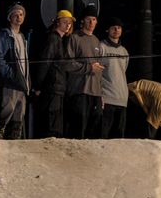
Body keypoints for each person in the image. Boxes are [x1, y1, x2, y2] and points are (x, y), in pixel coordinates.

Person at [65, 7, 105, 139]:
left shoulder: (97, 41)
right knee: (78, 131)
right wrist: (89, 68)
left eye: (94, 19)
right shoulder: (75, 38)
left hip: (95, 93)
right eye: (89, 19)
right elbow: (68, 64)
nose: (91, 22)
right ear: (83, 21)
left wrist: (101, 94)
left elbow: (99, 70)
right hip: (79, 91)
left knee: (93, 130)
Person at [34, 9, 74, 138]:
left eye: (69, 22)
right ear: (57, 23)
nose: (68, 25)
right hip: (52, 88)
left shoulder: (61, 40)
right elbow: (45, 63)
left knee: (56, 125)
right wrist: (38, 86)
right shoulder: (53, 39)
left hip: (58, 88)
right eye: (64, 22)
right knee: (51, 126)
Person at [0, 3, 31, 139]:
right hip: (10, 84)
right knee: (5, 116)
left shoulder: (22, 36)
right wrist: (10, 74)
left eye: (21, 14)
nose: (18, 17)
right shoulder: (5, 34)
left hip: (21, 85)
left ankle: (14, 150)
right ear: (10, 17)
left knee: (18, 121)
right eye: (15, 14)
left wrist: (27, 82)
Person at [98, 17, 129, 139]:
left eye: (119, 28)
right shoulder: (101, 47)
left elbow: (122, 72)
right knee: (104, 137)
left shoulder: (124, 51)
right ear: (108, 30)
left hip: (122, 98)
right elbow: (97, 72)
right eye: (113, 28)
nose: (116, 30)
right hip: (107, 98)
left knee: (119, 138)